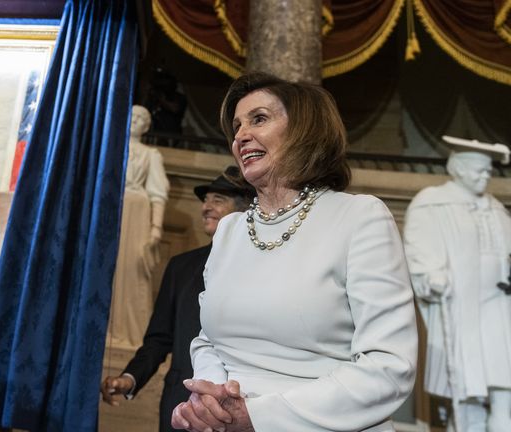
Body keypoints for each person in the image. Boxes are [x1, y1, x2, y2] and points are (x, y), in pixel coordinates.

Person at [170, 71, 418, 432]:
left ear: (305, 129)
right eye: (236, 126)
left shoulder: (360, 217)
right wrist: (210, 400)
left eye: (259, 119)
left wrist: (257, 418)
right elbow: (208, 341)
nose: (240, 135)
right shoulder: (229, 230)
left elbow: (389, 367)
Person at [101, 166, 255, 432]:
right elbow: (159, 339)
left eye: (218, 200)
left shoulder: (261, 267)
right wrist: (130, 378)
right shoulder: (180, 267)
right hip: (180, 407)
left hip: (242, 408)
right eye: (205, 201)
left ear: (244, 210)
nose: (206, 207)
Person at [403, 140, 511, 432]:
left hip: (500, 309)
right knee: (469, 393)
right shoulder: (432, 201)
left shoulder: (496, 207)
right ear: (459, 169)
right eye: (478, 171)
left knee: (505, 389)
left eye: (488, 171)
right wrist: (430, 275)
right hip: (464, 310)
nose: (485, 177)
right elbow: (418, 248)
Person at [108, 105, 170, 348]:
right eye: (132, 115)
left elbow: (158, 193)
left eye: (142, 117)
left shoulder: (150, 155)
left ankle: (128, 332)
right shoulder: (112, 149)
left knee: (131, 270)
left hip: (137, 214)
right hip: (111, 211)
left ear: (147, 126)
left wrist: (156, 227)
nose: (136, 120)